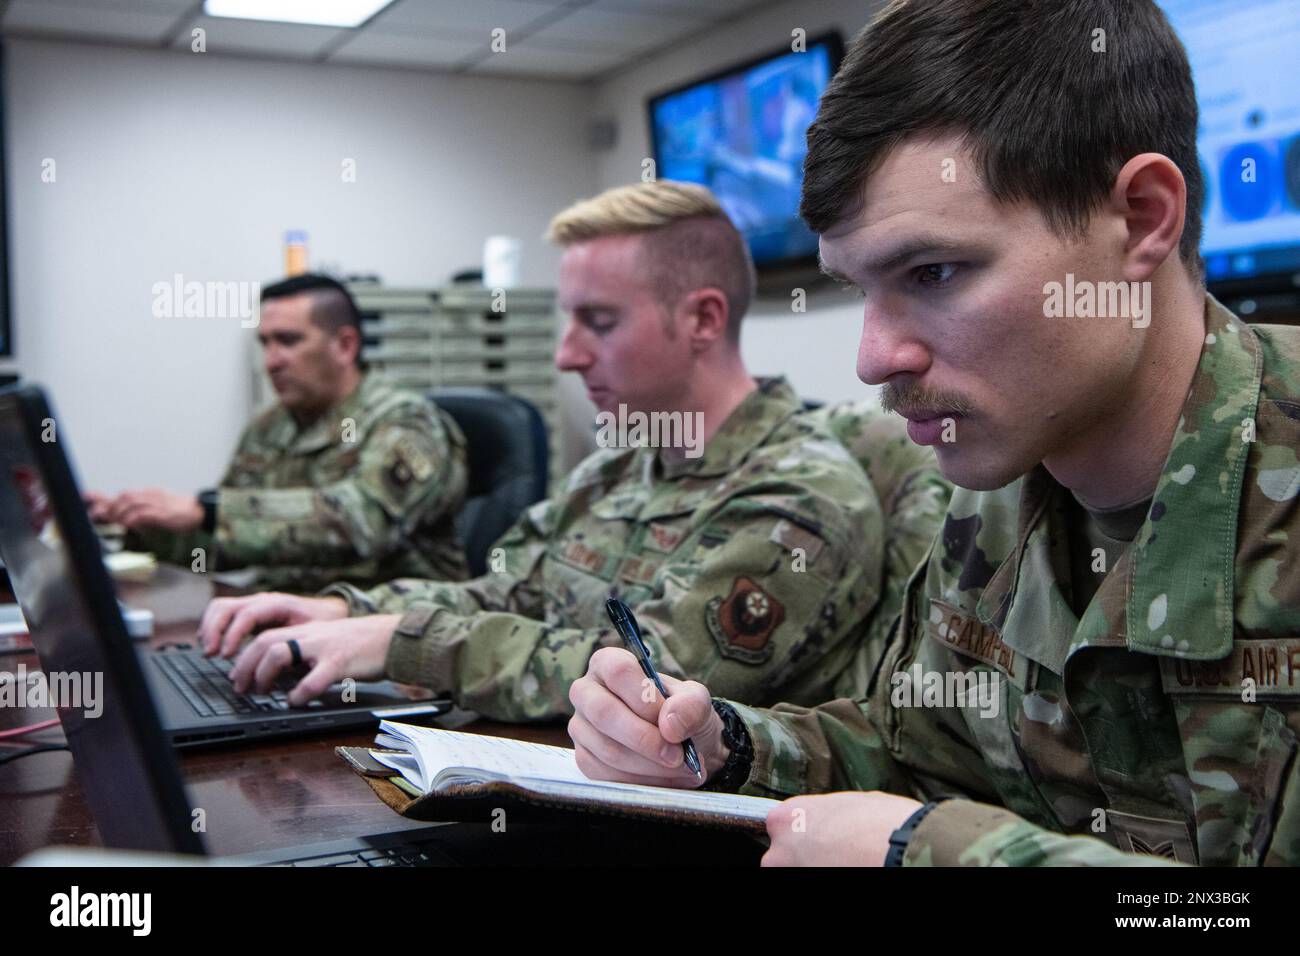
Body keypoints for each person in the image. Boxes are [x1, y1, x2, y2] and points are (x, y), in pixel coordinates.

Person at [566, 0, 1300, 866]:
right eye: (859, 289)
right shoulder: (996, 491)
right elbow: (916, 751)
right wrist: (722, 748)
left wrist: (932, 853)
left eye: (934, 271)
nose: (875, 358)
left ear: (1141, 219)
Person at [195, 182, 950, 719]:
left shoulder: (802, 497)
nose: (564, 356)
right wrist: (342, 611)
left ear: (701, 320)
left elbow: (647, 682)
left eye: (598, 321)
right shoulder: (617, 469)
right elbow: (504, 592)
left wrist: (401, 642)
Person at [87, 273, 469, 592]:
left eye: (288, 341)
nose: (271, 361)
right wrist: (138, 524)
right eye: (265, 343)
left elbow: (362, 523)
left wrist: (208, 512)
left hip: (386, 642)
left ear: (345, 345)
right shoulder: (270, 427)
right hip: (283, 629)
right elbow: (226, 545)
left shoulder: (406, 420)